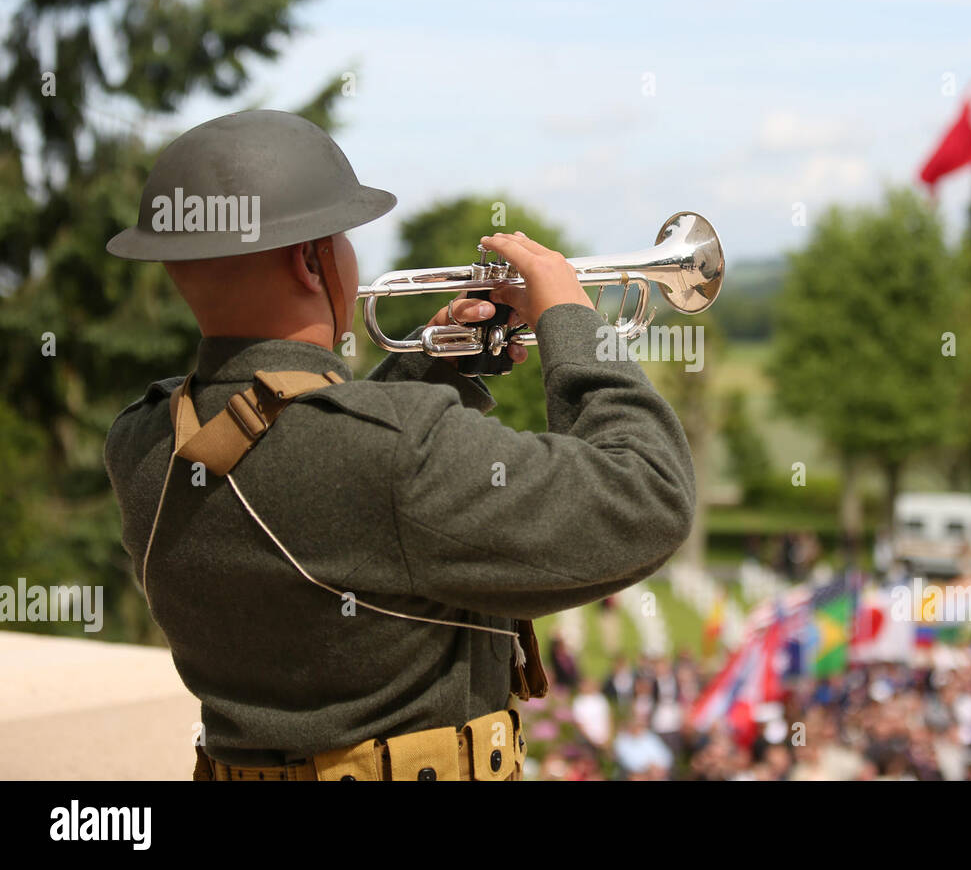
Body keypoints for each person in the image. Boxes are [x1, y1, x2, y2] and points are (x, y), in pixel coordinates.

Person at [102, 110, 696, 781]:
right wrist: (572, 321)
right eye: (344, 240)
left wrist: (436, 366)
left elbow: (310, 463)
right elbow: (648, 495)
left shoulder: (143, 440)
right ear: (310, 260)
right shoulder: (396, 450)